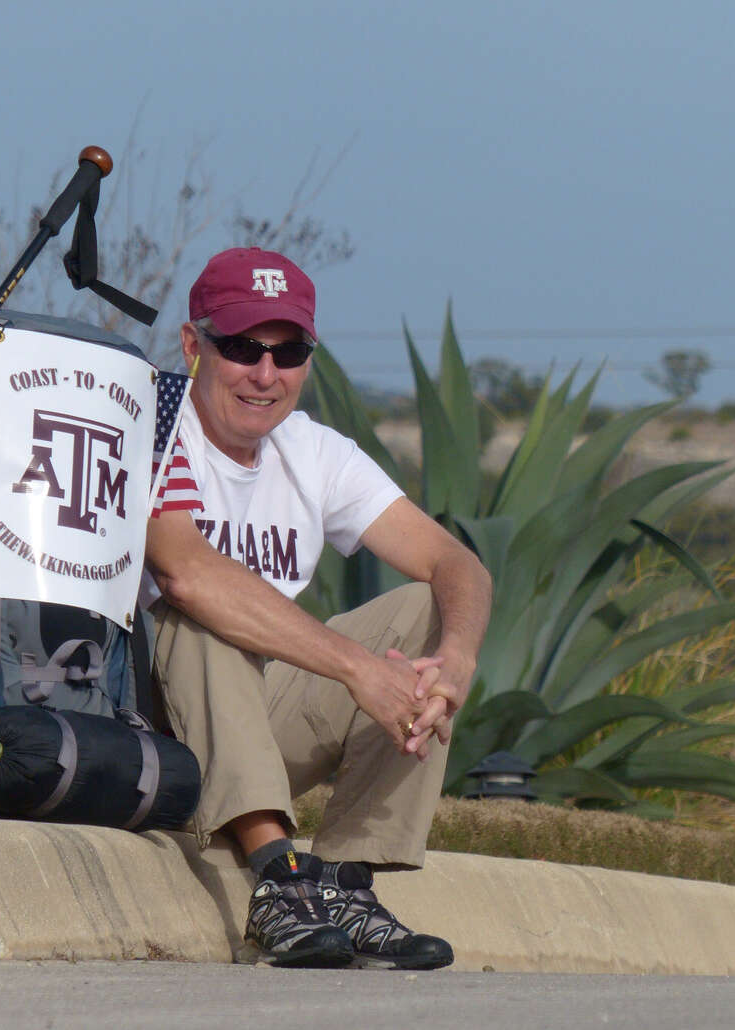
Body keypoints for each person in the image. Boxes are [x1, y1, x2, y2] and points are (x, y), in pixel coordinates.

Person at [144, 247, 492, 969]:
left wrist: (455, 659)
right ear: (192, 345)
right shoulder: (150, 423)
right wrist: (357, 670)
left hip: (254, 724)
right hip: (156, 724)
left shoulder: (314, 451)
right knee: (208, 611)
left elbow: (457, 563)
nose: (266, 374)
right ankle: (278, 880)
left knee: (429, 611)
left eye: (289, 350)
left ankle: (344, 883)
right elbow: (184, 572)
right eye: (241, 347)